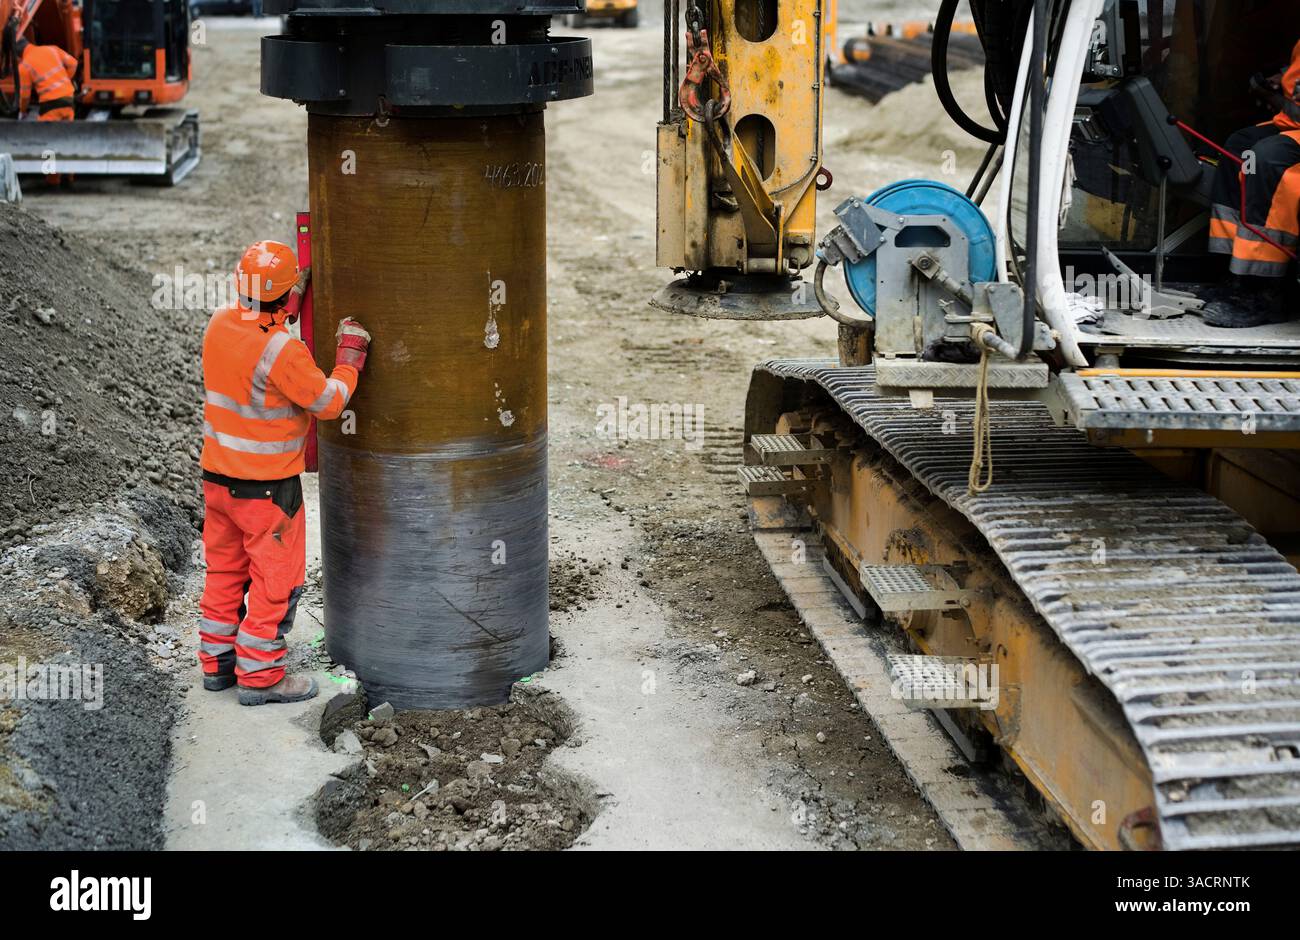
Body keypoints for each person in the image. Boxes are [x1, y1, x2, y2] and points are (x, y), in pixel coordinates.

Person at [198, 241, 372, 706]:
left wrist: (286, 301)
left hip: (216, 482)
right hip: (267, 491)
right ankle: (260, 677)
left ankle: (217, 665)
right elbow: (330, 402)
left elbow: (256, 334)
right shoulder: (284, 352)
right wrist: (349, 359)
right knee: (277, 582)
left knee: (224, 573)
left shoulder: (219, 324)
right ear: (286, 295)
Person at [1206, 38, 1300, 327]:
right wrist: (1282, 75)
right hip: (1294, 124)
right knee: (1240, 146)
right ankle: (1234, 274)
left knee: (1266, 160)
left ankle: (1265, 290)